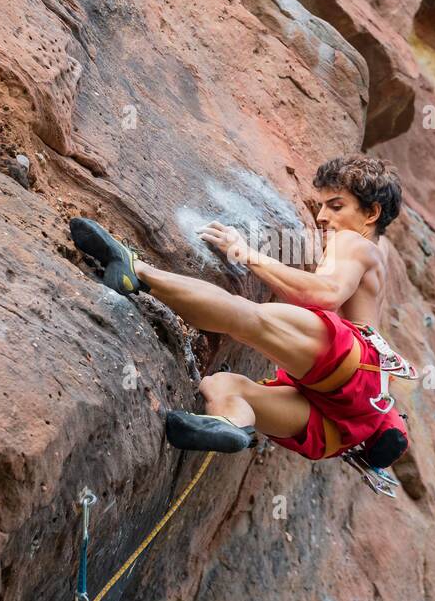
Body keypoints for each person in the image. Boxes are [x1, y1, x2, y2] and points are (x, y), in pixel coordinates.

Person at [70, 154, 414, 472]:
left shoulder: (353, 241)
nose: (323, 216)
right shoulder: (373, 253)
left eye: (336, 206)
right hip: (347, 424)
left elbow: (323, 293)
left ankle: (136, 271)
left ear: (371, 214)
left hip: (354, 369)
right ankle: (231, 422)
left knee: (248, 317)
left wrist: (245, 252)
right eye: (322, 205)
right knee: (222, 385)